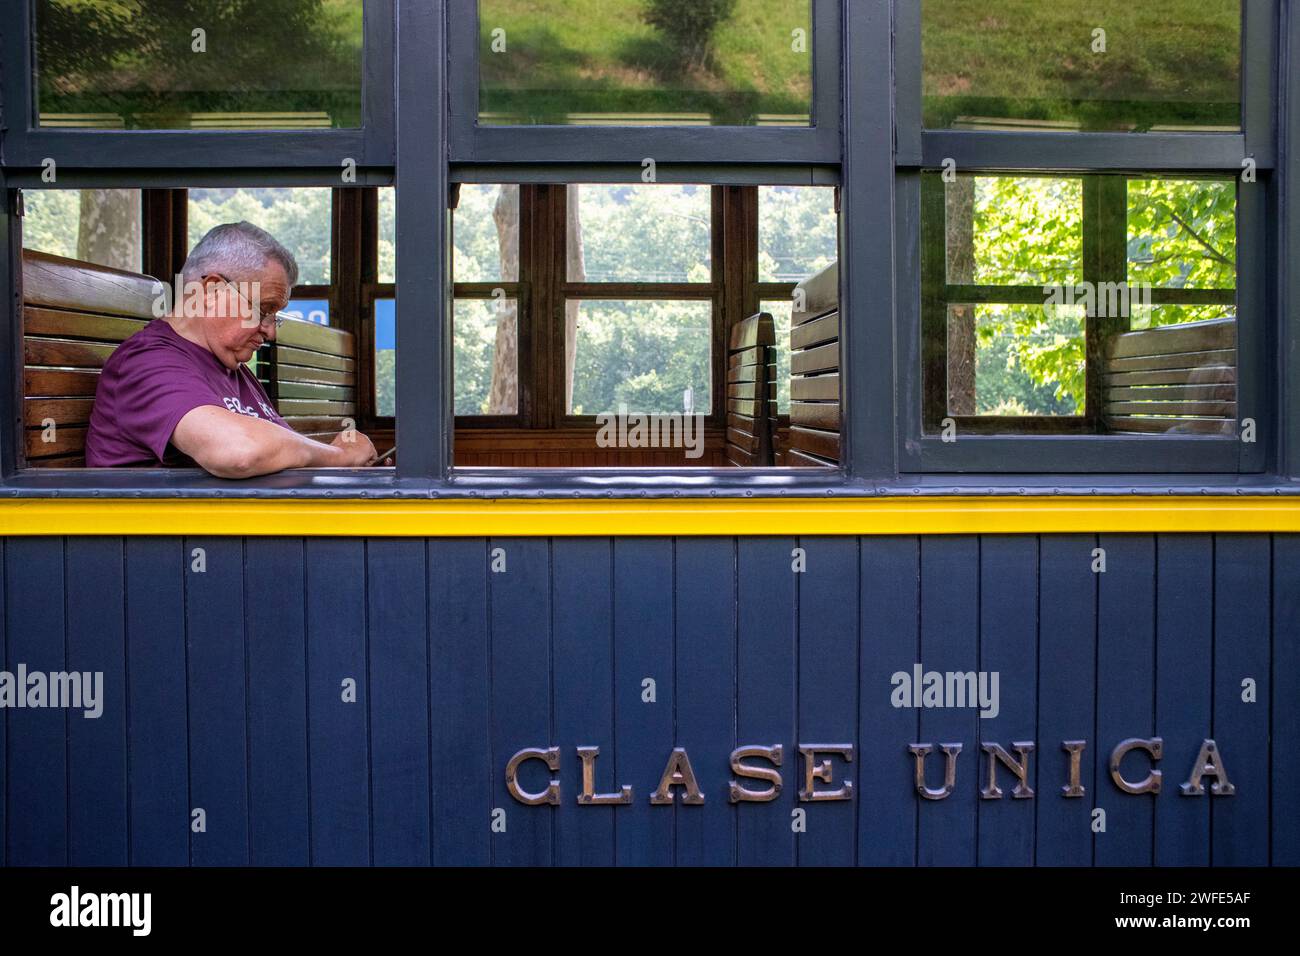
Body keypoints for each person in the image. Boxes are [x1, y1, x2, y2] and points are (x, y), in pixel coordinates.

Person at [85, 222, 387, 477]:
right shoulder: (147, 363)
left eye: (274, 317)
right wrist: (338, 456)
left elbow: (276, 450)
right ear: (212, 290)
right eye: (263, 309)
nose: (269, 331)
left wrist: (346, 462)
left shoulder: (229, 366)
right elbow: (238, 451)